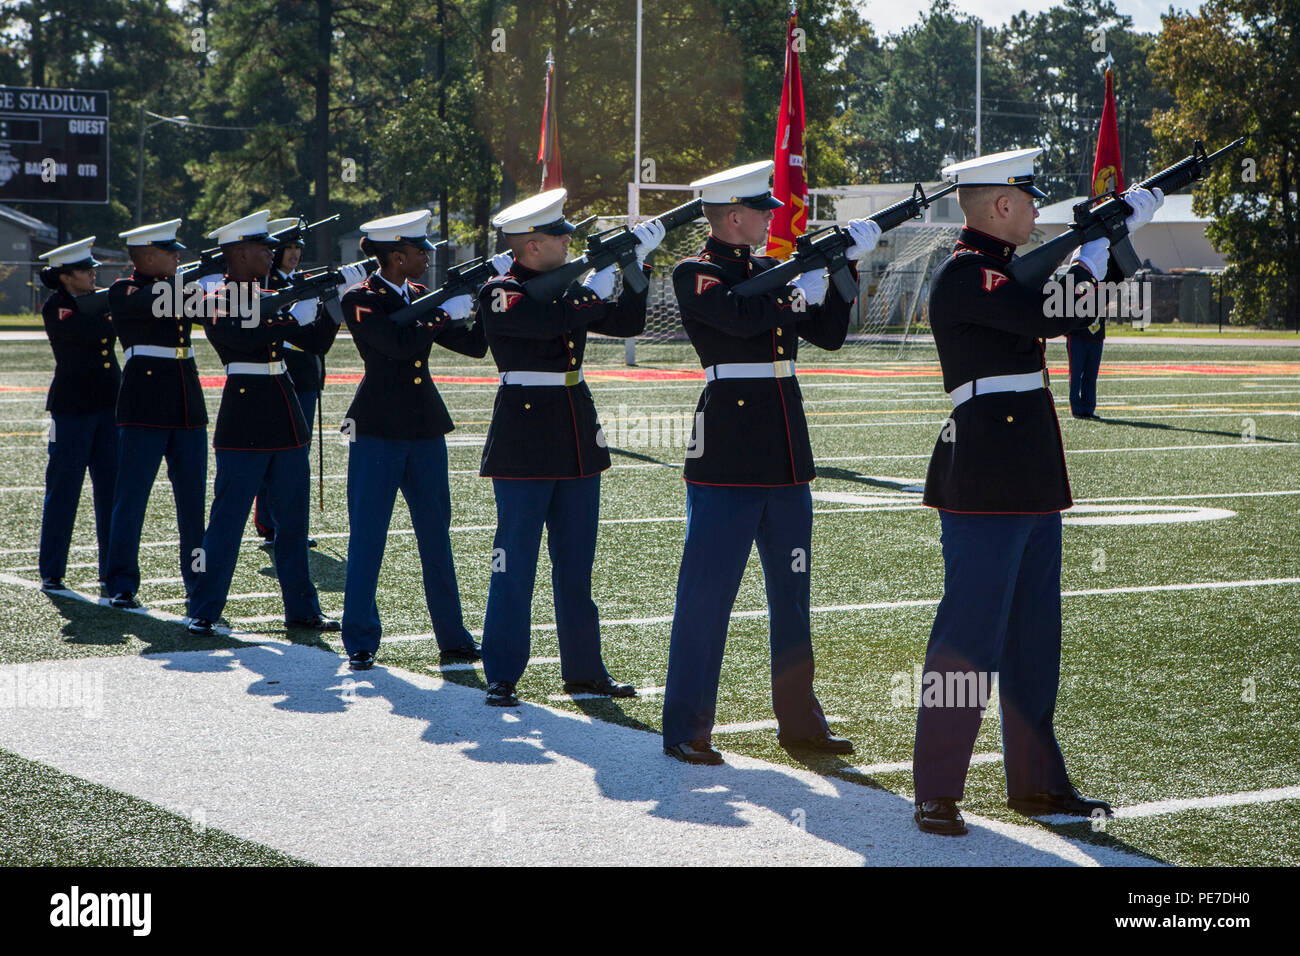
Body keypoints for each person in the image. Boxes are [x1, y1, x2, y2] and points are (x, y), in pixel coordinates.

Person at [912, 147, 1163, 835]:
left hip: (1029, 473)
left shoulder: (1007, 274)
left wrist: (1113, 238)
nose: (1034, 210)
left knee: (1032, 641)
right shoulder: (968, 277)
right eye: (1026, 199)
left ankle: (1037, 782)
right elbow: (1055, 314)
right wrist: (1090, 251)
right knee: (966, 640)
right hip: (986, 474)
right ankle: (936, 786)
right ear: (1000, 205)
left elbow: (1092, 311)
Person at [660, 161, 879, 764]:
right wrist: (796, 287)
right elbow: (737, 318)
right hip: (727, 453)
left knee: (792, 595)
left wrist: (841, 269)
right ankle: (686, 726)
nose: (770, 218)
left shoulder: (767, 272)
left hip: (785, 455)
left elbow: (830, 334)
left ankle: (801, 723)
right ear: (734, 216)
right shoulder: (695, 273)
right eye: (762, 210)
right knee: (707, 595)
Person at [476, 188, 659, 707]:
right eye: (560, 236)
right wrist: (589, 283)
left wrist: (633, 267)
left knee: (576, 567)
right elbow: (547, 324)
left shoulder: (565, 288)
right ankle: (503, 672)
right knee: (514, 562)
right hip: (524, 436)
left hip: (575, 431)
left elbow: (627, 323)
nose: (567, 243)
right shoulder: (501, 290)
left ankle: (584, 670)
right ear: (532, 245)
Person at [338, 209, 485, 670]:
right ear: (397, 257)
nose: (427, 258)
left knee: (435, 537)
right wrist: (441, 314)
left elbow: (475, 346)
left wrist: (487, 298)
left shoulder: (421, 295)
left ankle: (453, 636)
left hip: (423, 429)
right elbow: (397, 347)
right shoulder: (361, 299)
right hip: (377, 430)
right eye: (420, 251)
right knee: (368, 537)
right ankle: (360, 637)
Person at [186, 211, 343, 637]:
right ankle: (204, 606)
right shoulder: (218, 298)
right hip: (244, 417)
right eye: (262, 247)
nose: (271, 252)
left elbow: (316, 343)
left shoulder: (272, 294)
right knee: (228, 518)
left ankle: (303, 609)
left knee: (294, 522)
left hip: (285, 412)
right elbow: (242, 338)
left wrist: (330, 300)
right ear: (237, 254)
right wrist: (282, 309)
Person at [103, 219, 208, 610]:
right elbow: (150, 302)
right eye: (169, 251)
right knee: (131, 497)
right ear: (146, 256)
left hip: (186, 403)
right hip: (145, 404)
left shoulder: (180, 289)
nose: (178, 256)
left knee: (193, 502)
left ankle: (198, 580)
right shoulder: (123, 290)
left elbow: (217, 311)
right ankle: (121, 581)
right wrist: (195, 283)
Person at [34, 237, 120, 593]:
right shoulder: (58, 306)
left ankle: (111, 567)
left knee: (111, 490)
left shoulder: (95, 303)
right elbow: (89, 333)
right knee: (64, 488)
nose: (91, 275)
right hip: (73, 408)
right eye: (85, 271)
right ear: (66, 276)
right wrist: (111, 309)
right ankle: (52, 568)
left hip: (108, 403)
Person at [251, 217, 343, 543]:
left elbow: (318, 337)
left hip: (305, 376)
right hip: (281, 374)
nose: (294, 254)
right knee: (278, 453)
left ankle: (282, 523)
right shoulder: (268, 285)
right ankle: (273, 522)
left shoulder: (304, 282)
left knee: (296, 454)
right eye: (287, 248)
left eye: (298, 248)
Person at [1066, 312, 1105, 419]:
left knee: (1091, 375)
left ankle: (1089, 408)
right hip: (1077, 336)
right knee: (1075, 374)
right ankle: (1076, 408)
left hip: (1096, 336)